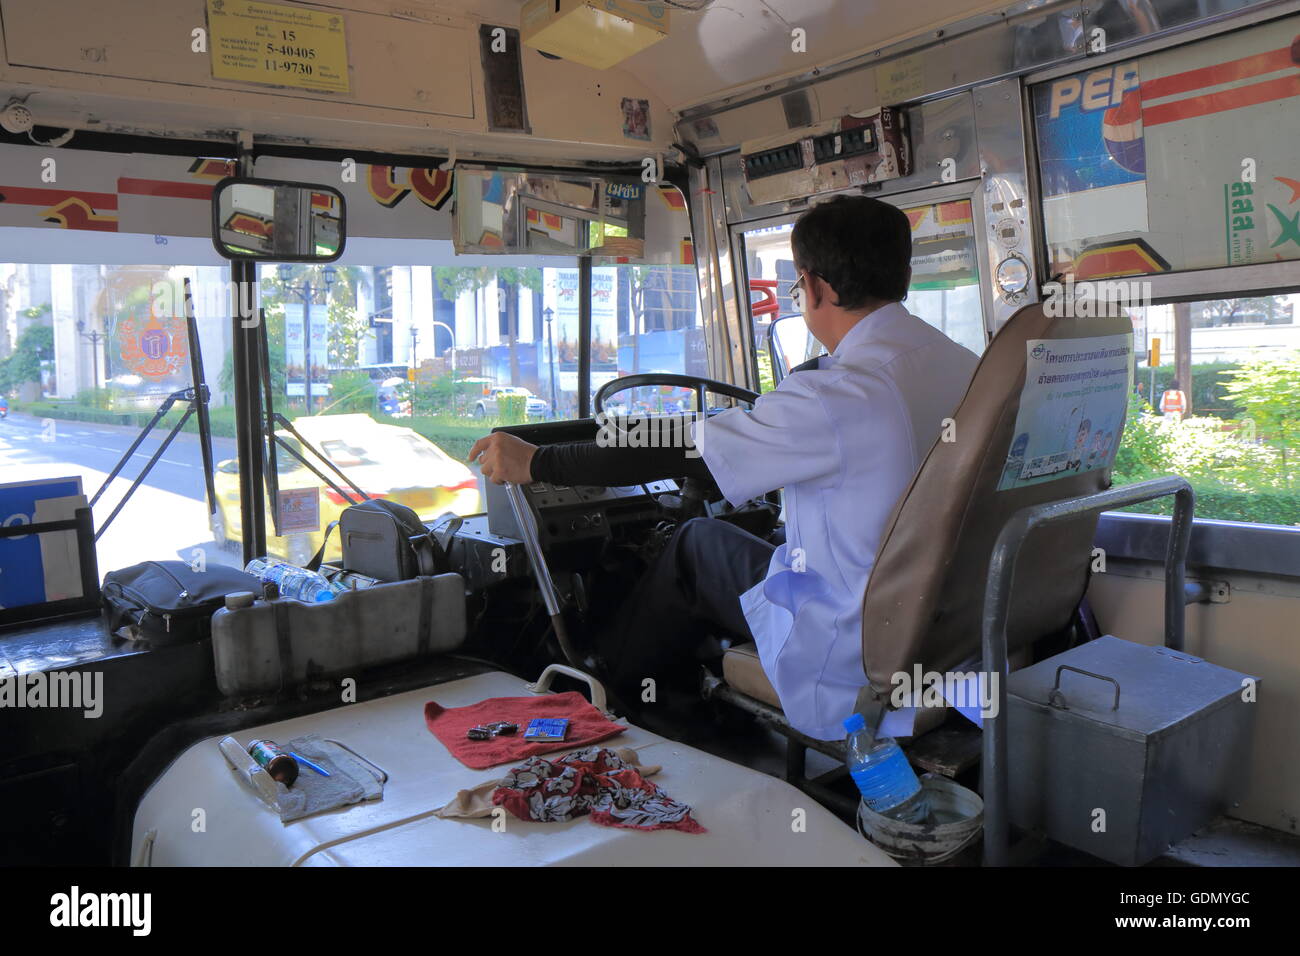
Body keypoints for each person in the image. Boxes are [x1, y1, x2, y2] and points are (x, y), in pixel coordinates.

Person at [469, 195, 980, 741]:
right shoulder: (963, 364)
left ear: (814, 288)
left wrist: (538, 460)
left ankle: (615, 693)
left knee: (696, 543)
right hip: (944, 619)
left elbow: (677, 446)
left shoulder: (836, 394)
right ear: (902, 274)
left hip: (857, 635)